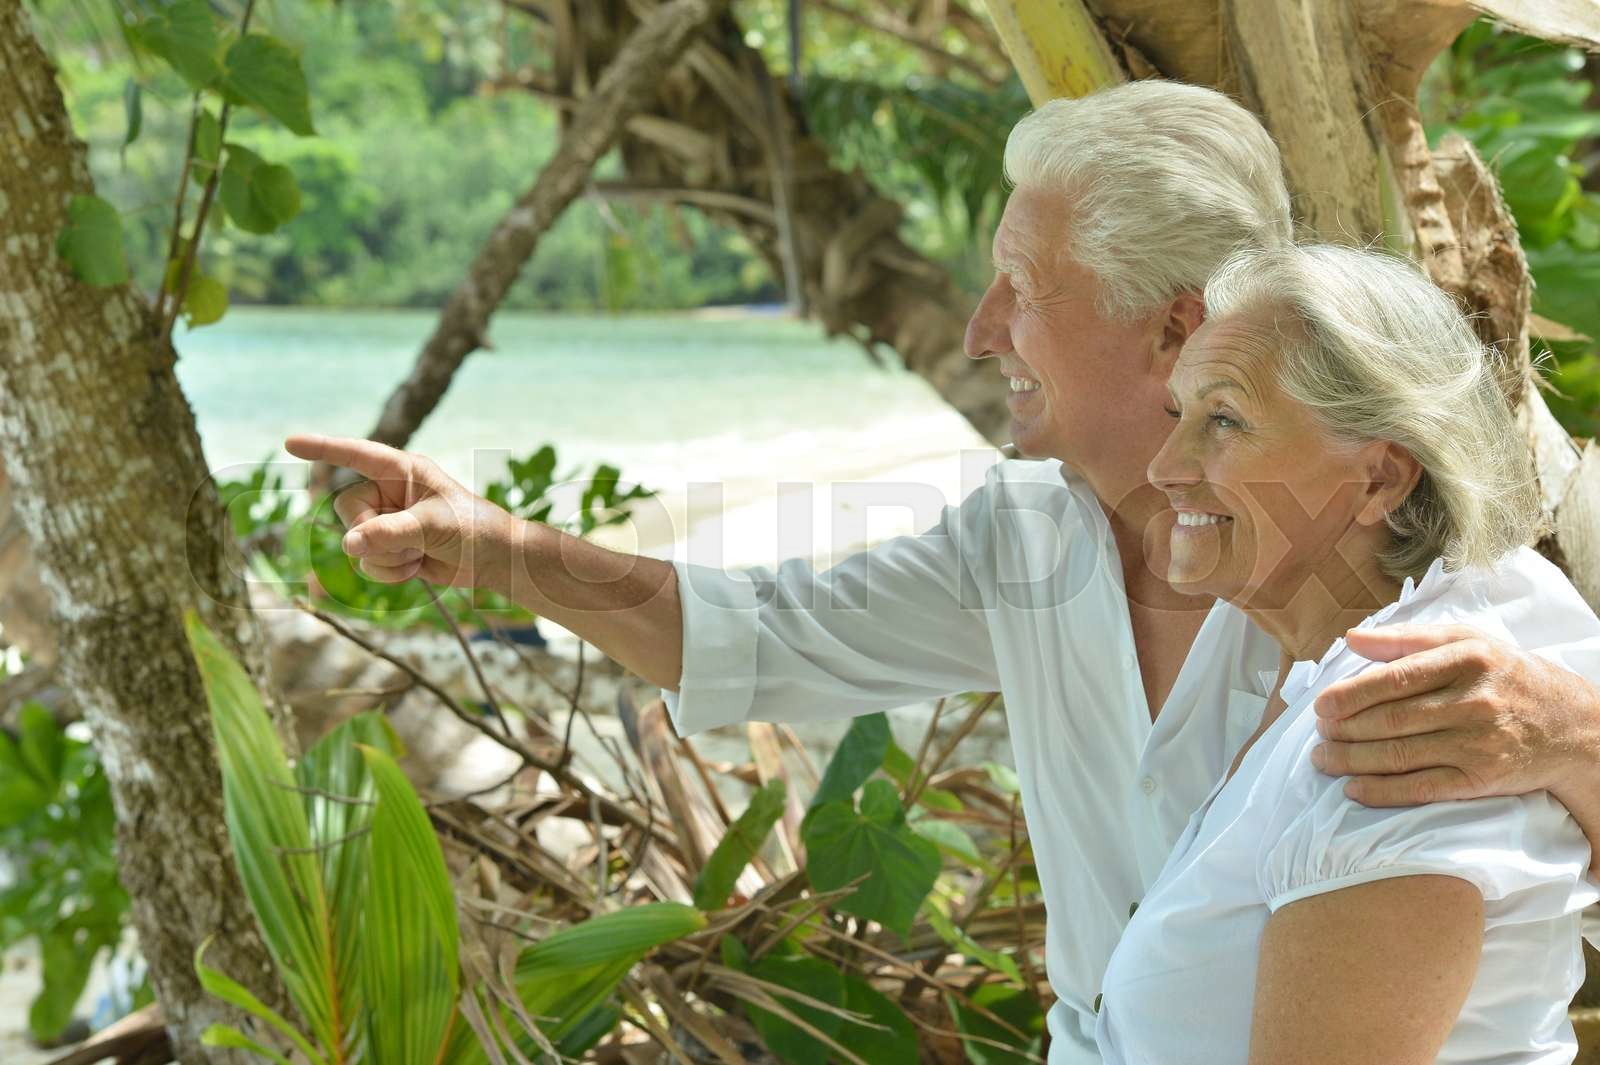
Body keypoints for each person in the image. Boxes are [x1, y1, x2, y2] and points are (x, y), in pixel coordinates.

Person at [283, 81, 1600, 1065]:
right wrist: (497, 546)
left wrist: (1574, 729)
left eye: (1019, 290)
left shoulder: (1442, 610)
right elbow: (745, 634)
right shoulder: (1018, 540)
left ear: (1174, 329)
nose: (980, 335)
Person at [1097, 242, 1600, 1064]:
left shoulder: (1411, 721)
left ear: (1379, 481)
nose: (1166, 467)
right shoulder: (1329, 640)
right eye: (1177, 416)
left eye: (1222, 419)